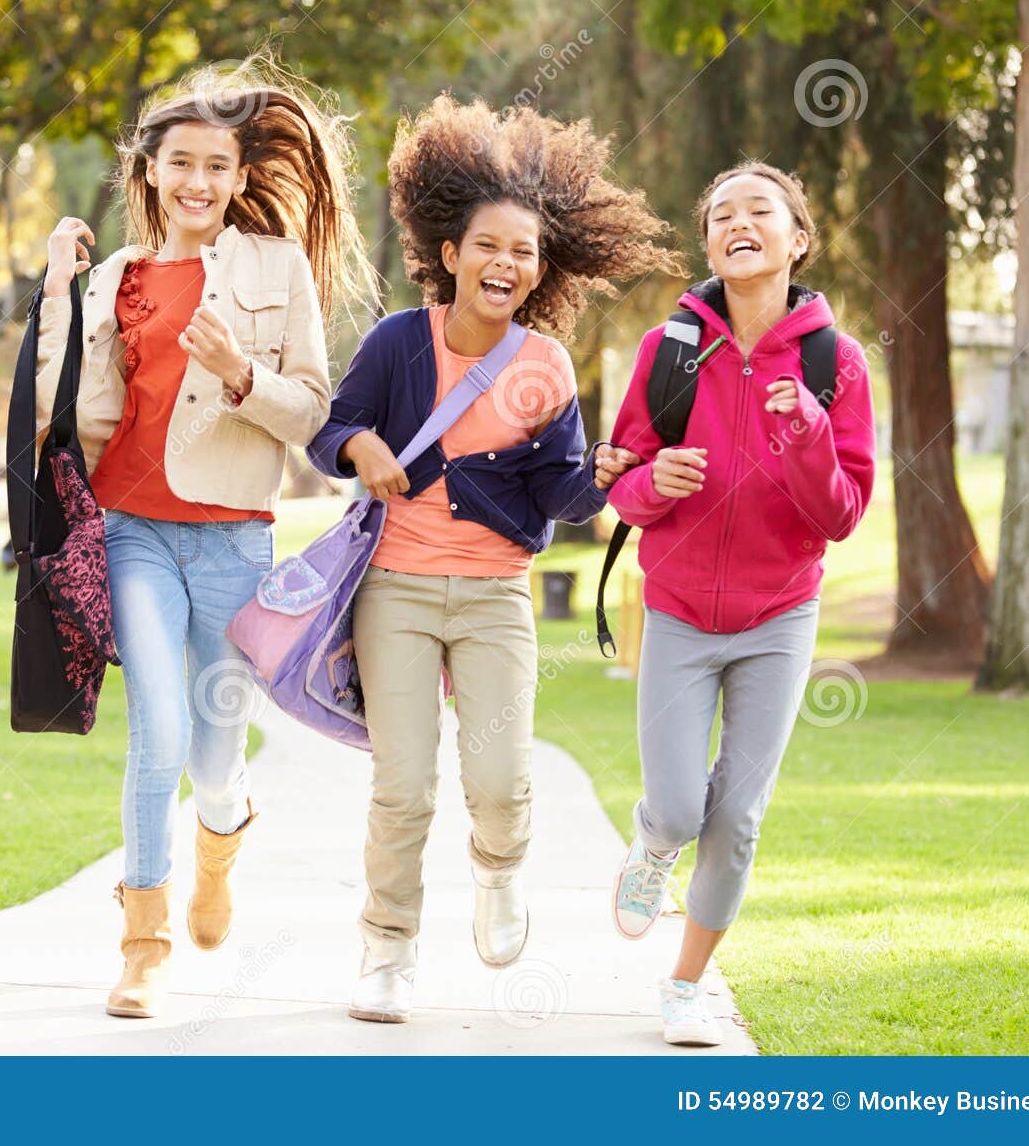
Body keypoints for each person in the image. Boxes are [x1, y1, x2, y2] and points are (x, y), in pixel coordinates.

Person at [307, 95, 680, 1023]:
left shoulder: (547, 366)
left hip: (494, 596)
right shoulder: (400, 341)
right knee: (402, 782)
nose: (505, 263)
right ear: (449, 255)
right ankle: (387, 949)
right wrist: (360, 452)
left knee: (501, 778)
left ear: (539, 269)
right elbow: (332, 428)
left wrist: (597, 476)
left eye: (523, 251)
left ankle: (498, 871)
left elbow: (561, 497)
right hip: (393, 588)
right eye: (488, 246)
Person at [33, 60, 377, 1018]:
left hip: (232, 539)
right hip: (131, 530)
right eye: (178, 162)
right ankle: (143, 944)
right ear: (149, 170)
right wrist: (56, 294)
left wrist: (237, 373)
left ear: (235, 176)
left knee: (216, 756)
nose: (197, 182)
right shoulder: (115, 279)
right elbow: (56, 407)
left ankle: (221, 841)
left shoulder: (277, 269)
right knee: (159, 735)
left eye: (215, 167)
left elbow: (311, 411)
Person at [606, 161, 876, 1046]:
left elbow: (841, 513)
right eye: (720, 213)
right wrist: (656, 479)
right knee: (683, 808)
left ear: (797, 238)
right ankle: (652, 844)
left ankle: (685, 984)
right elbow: (624, 487)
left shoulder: (837, 364)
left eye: (759, 209)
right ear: (711, 243)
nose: (737, 222)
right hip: (679, 607)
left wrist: (803, 431)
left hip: (780, 615)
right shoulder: (668, 350)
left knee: (740, 818)